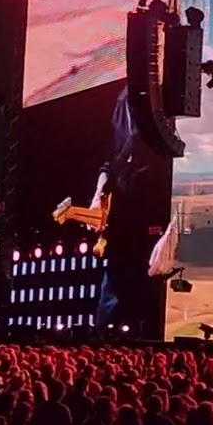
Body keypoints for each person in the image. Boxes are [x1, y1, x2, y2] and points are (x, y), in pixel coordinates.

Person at [91, 87, 172, 333]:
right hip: (122, 231)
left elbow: (194, 178)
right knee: (108, 316)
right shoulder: (123, 100)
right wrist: (98, 195)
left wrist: (171, 232)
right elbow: (110, 162)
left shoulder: (171, 101)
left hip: (154, 230)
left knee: (149, 315)